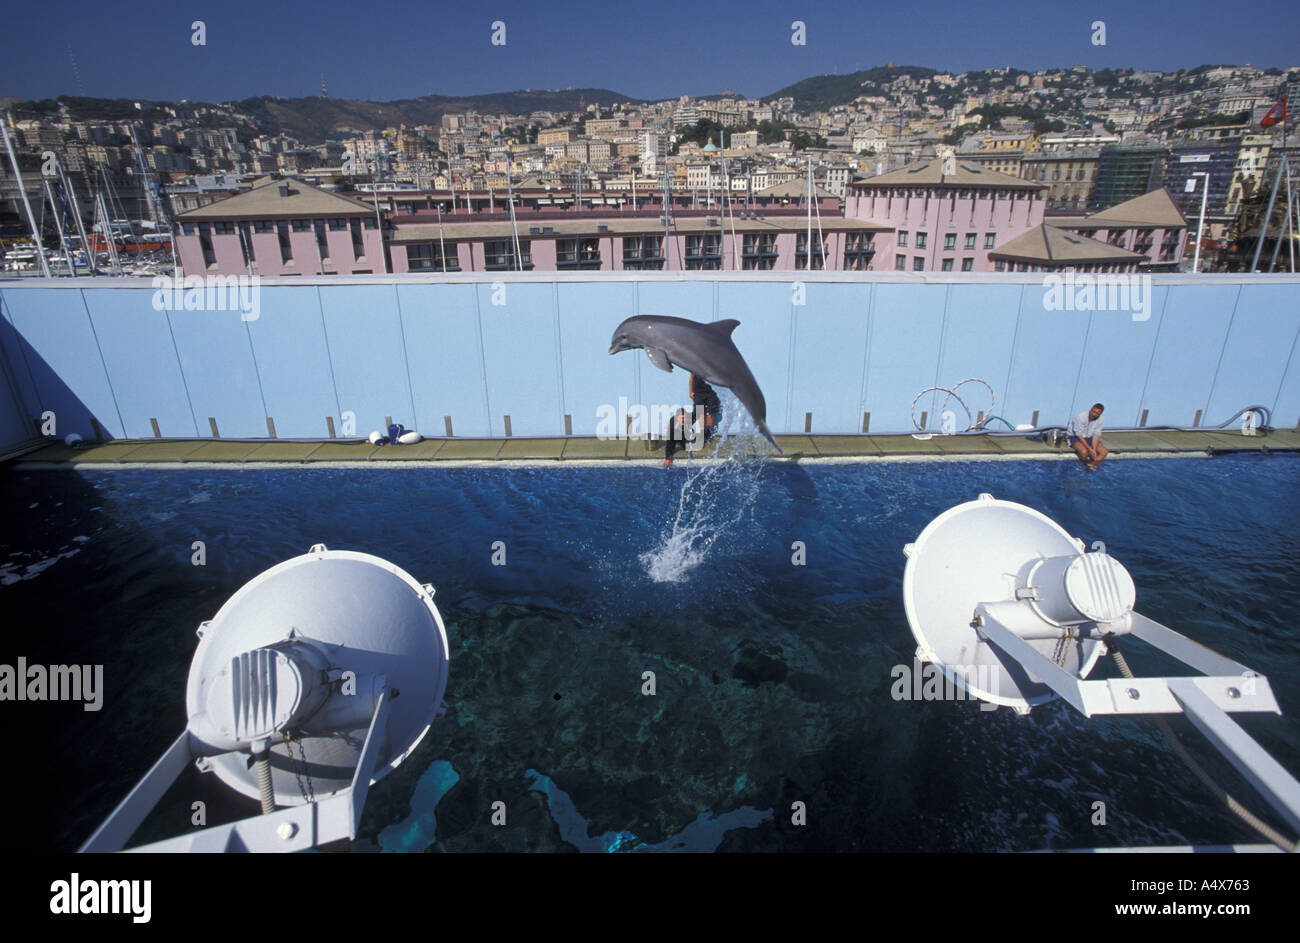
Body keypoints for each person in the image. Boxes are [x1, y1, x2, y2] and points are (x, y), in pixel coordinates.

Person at [1068, 403, 1107, 470]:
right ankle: (1086, 464)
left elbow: (1096, 435)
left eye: (1097, 414)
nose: (1094, 414)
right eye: (1093, 411)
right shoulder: (1081, 417)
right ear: (1091, 409)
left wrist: (1094, 450)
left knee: (1104, 452)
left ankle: (1092, 464)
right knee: (1084, 452)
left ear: (1100, 414)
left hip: (1089, 437)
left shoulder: (1101, 420)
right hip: (1075, 437)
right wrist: (1090, 449)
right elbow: (1078, 435)